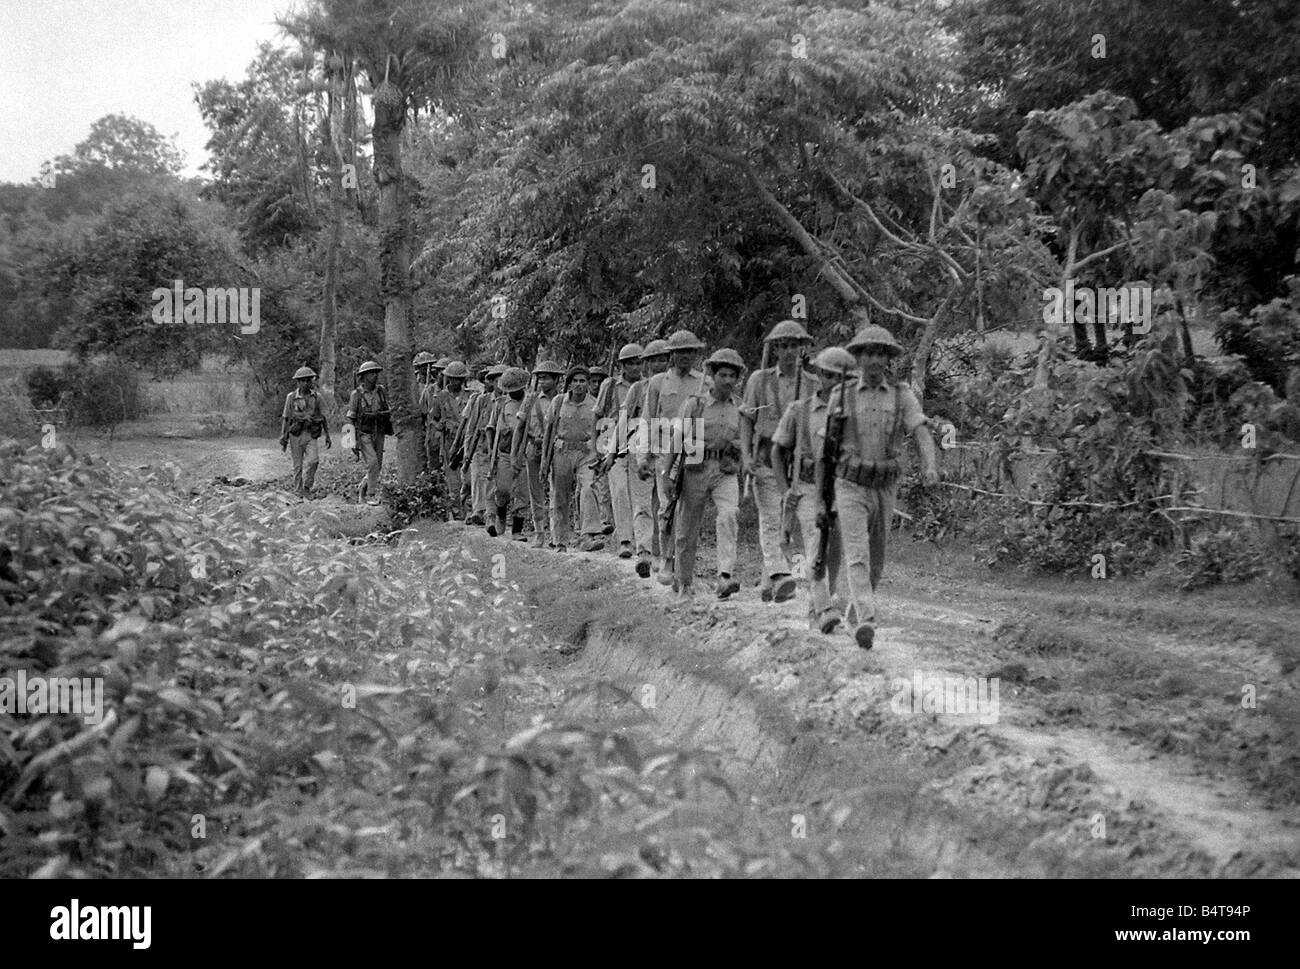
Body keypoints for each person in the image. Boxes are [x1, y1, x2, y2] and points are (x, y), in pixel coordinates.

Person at [815, 324, 940, 649]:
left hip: (884, 486)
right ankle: (868, 618)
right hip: (850, 486)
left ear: (888, 359)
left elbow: (921, 431)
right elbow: (826, 454)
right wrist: (820, 498)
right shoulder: (840, 396)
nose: (873, 359)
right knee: (856, 553)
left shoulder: (902, 394)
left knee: (877, 560)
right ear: (857, 357)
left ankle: (856, 619)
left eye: (880, 353)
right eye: (867, 352)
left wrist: (930, 464)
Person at [770, 347, 856, 633]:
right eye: (828, 375)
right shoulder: (801, 410)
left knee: (834, 552)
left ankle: (817, 608)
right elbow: (777, 452)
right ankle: (825, 608)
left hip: (841, 489)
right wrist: (784, 491)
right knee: (815, 543)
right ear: (819, 375)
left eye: (841, 378)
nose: (834, 383)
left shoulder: (852, 415)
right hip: (807, 487)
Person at [740, 319, 816, 604]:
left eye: (794, 346)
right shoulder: (759, 380)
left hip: (798, 463)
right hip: (765, 457)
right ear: (775, 350)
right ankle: (781, 576)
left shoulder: (813, 384)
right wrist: (746, 456)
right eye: (783, 346)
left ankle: (767, 580)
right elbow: (747, 419)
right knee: (771, 518)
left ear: (802, 349)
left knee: (794, 519)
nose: (789, 351)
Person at [670, 348, 745, 599]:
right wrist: (668, 474)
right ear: (712, 375)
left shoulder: (740, 408)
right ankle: (684, 581)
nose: (727, 381)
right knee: (687, 528)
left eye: (732, 376)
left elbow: (745, 440)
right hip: (696, 469)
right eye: (722, 375)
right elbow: (677, 440)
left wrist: (738, 449)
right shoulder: (695, 404)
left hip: (725, 470)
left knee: (729, 514)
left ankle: (724, 576)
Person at [640, 330, 708, 585]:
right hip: (663, 450)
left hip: (693, 450)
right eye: (680, 352)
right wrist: (643, 456)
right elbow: (647, 419)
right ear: (671, 355)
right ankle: (666, 558)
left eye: (690, 352)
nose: (685, 357)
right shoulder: (658, 382)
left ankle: (683, 561)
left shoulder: (704, 383)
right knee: (666, 505)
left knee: (689, 508)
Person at [541, 366, 604, 553]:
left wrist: (600, 456)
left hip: (587, 453)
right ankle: (560, 540)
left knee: (588, 488)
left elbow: (601, 432)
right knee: (560, 496)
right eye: (575, 381)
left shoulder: (595, 404)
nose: (578, 385)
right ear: (569, 383)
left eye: (582, 381)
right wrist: (545, 462)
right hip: (562, 452)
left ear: (588, 383)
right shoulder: (558, 402)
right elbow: (548, 432)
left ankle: (587, 535)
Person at [625, 339, 671, 577]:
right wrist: (614, 451)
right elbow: (627, 421)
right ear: (646, 364)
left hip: (668, 450)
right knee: (642, 504)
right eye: (653, 360)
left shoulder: (678, 385)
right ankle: (643, 553)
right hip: (641, 447)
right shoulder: (638, 389)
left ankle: (662, 554)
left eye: (663, 358)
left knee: (664, 504)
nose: (659, 363)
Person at [594, 343, 644, 560]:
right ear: (623, 365)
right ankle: (624, 540)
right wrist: (596, 446)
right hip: (612, 442)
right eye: (631, 363)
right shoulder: (611, 385)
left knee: (639, 493)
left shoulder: (646, 385)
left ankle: (642, 541)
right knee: (619, 491)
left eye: (638, 362)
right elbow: (597, 414)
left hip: (639, 443)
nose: (635, 367)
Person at [512, 359, 563, 547]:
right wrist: (514, 454)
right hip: (534, 447)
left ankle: (556, 534)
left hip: (556, 449)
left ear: (556, 380)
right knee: (536, 492)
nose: (542, 382)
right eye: (540, 378)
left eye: (547, 378)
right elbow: (520, 427)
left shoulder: (563, 399)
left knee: (557, 491)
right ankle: (539, 532)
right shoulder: (530, 399)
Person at [489, 367, 532, 538]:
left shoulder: (530, 402)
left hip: (525, 453)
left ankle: (517, 530)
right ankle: (500, 514)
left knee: (522, 493)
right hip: (505, 453)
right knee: (503, 489)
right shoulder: (501, 404)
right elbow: (492, 428)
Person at [461, 363, 504, 526]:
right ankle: (479, 511)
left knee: (496, 482)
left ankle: (492, 513)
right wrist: (467, 451)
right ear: (492, 382)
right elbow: (471, 427)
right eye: (497, 380)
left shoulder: (511, 402)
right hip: (481, 446)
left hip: (501, 448)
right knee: (478, 477)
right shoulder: (482, 400)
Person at [279, 366, 331, 498]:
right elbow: (286, 418)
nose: (307, 383)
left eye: (309, 380)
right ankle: (298, 492)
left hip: (311, 433)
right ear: (298, 382)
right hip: (295, 434)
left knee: (314, 461)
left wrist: (327, 436)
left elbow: (323, 417)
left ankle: (307, 487)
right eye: (303, 380)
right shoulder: (291, 397)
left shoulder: (317, 397)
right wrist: (283, 435)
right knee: (298, 466)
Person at [346, 360, 392, 505]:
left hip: (379, 431)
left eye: (376, 373)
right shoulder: (356, 395)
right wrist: (350, 441)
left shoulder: (381, 391)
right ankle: (371, 494)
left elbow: (388, 408)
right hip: (364, 433)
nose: (375, 376)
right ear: (364, 376)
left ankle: (362, 490)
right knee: (372, 463)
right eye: (372, 373)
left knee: (377, 465)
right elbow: (350, 418)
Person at [436, 361, 471, 519]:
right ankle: (457, 513)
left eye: (459, 379)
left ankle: (466, 507)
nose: (456, 382)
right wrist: (439, 425)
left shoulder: (470, 396)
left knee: (469, 479)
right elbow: (432, 419)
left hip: (466, 442)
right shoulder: (441, 396)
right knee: (453, 481)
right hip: (449, 442)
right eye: (452, 378)